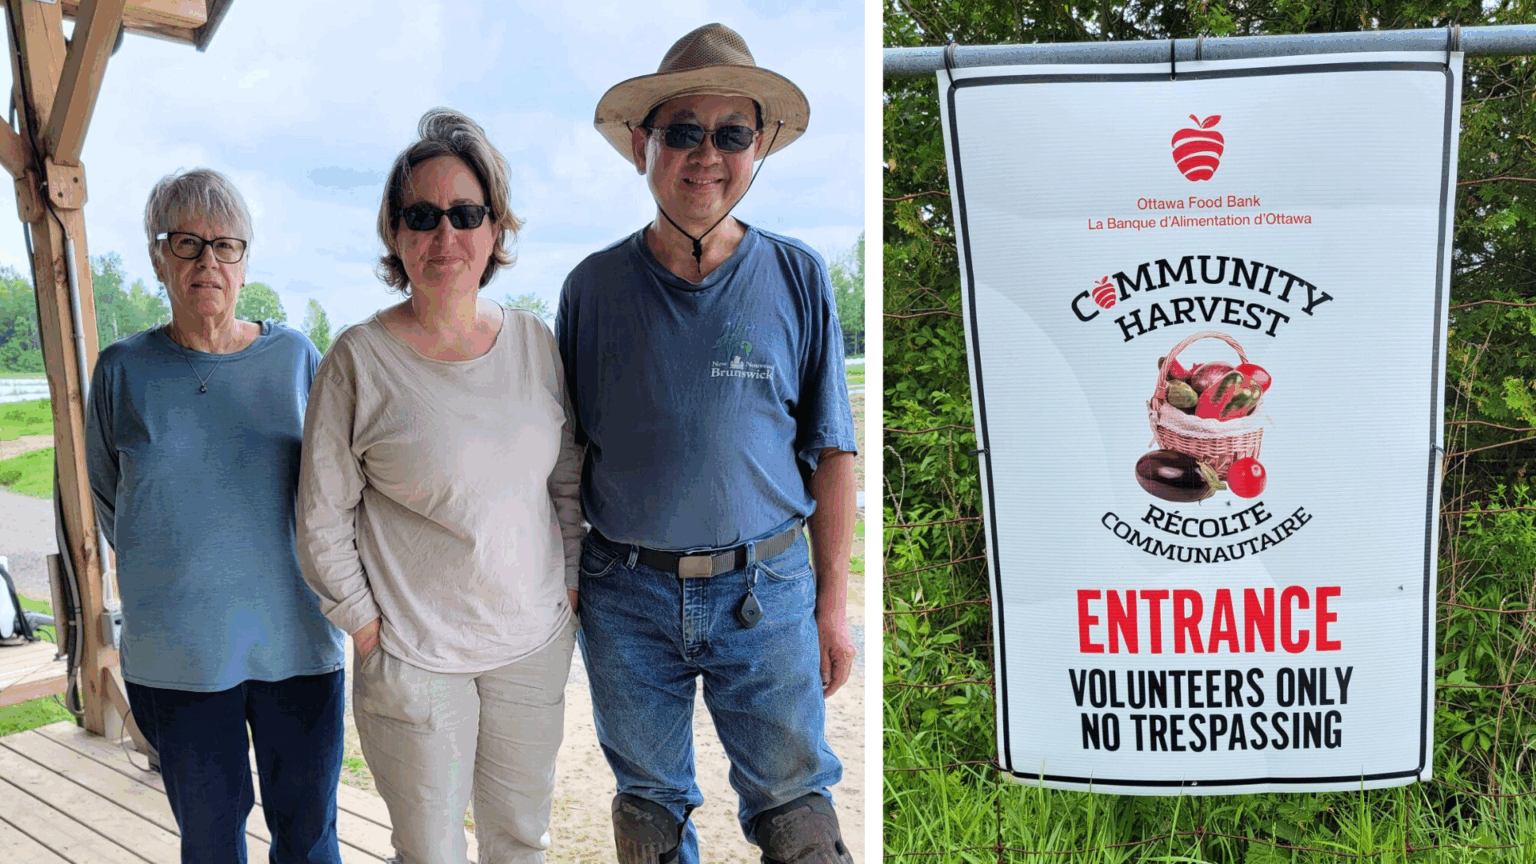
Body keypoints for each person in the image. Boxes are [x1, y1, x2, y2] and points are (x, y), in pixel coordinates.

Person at [558, 23, 858, 864]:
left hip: (767, 588)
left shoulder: (799, 277)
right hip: (626, 593)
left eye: (732, 134)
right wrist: (566, 584)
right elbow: (564, 458)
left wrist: (832, 605)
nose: (706, 155)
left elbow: (833, 451)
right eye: (683, 131)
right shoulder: (590, 288)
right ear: (641, 144)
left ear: (757, 148)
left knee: (798, 813)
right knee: (647, 815)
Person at [296, 108, 582, 864]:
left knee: (521, 841)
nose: (444, 237)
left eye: (465, 214)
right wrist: (364, 626)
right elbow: (321, 516)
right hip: (415, 657)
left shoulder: (533, 343)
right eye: (422, 216)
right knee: (429, 853)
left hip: (532, 644)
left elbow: (566, 479)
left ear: (496, 229)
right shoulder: (357, 361)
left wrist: (572, 585)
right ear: (394, 233)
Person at [84, 168, 346, 864]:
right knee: (209, 842)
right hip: (181, 659)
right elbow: (115, 501)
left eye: (225, 246)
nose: (207, 262)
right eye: (187, 243)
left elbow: (336, 489)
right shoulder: (121, 370)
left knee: (311, 838)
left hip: (299, 646)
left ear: (244, 260)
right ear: (157, 255)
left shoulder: (295, 358)